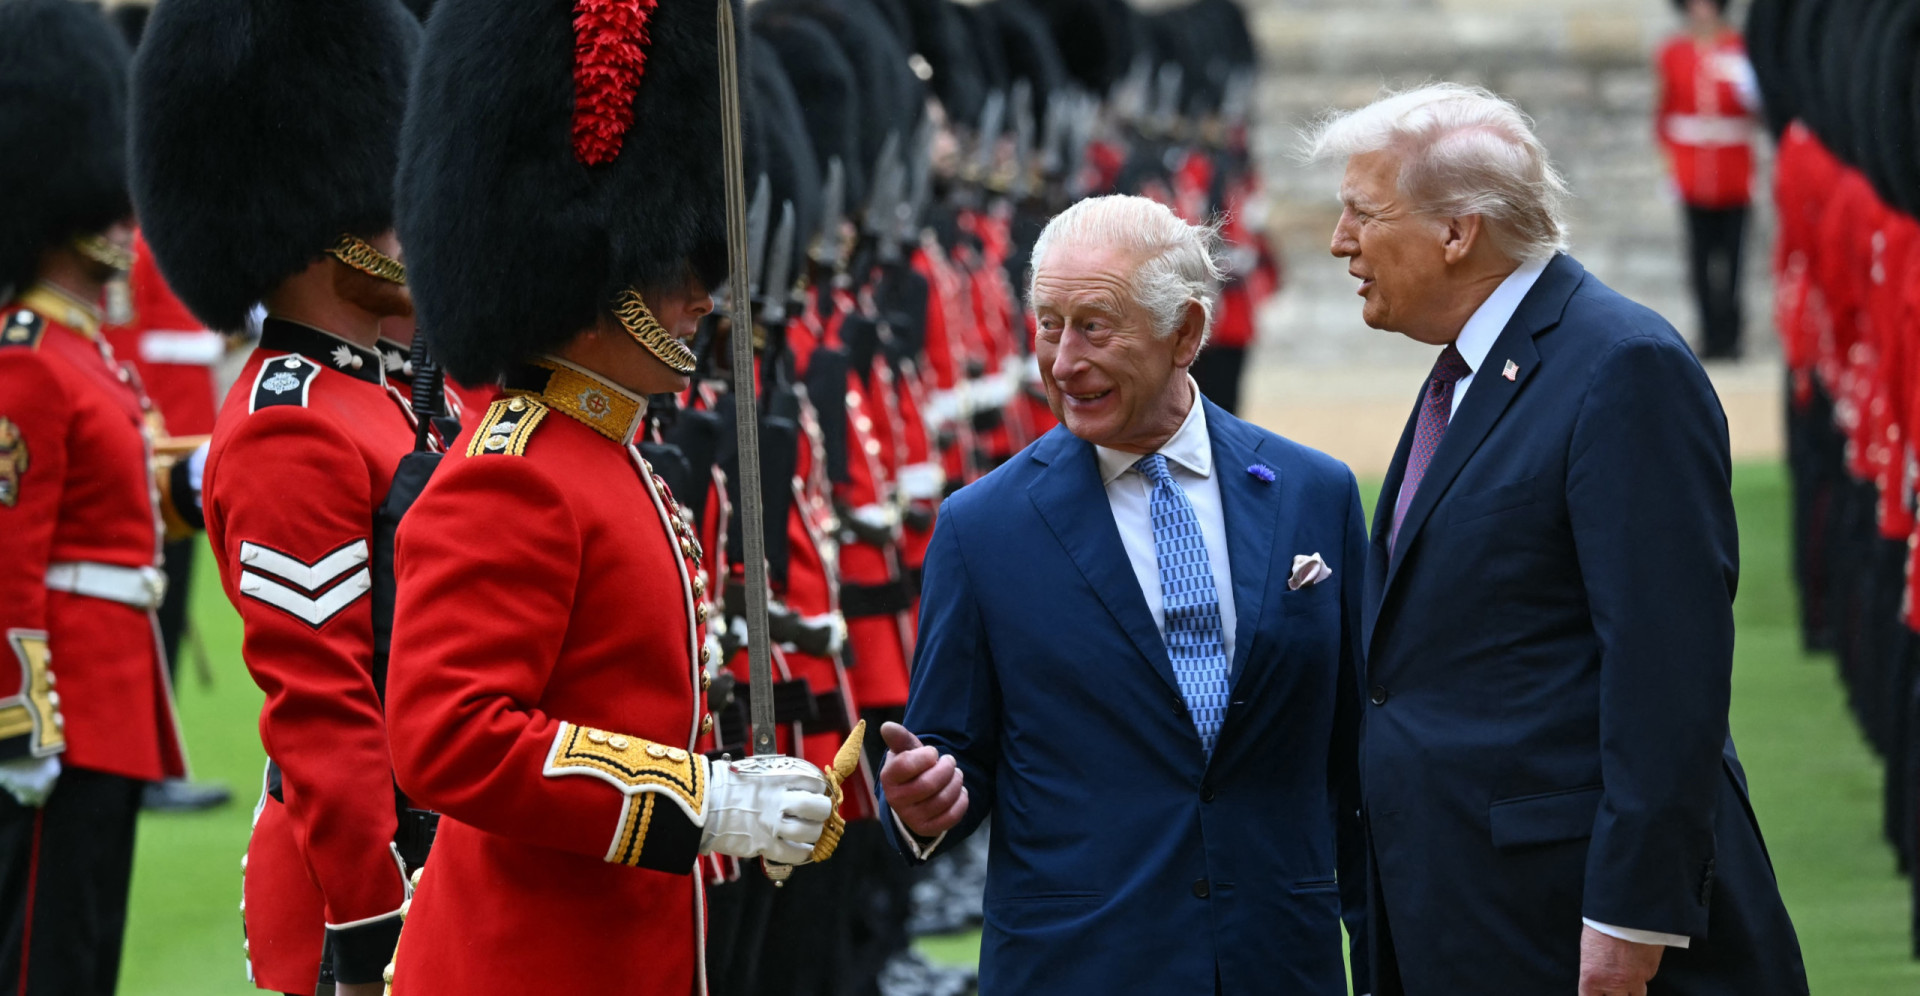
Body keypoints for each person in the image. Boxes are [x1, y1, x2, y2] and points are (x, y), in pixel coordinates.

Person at [381, 0, 842, 991]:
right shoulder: (516, 476)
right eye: (672, 270)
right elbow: (448, 737)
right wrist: (702, 801)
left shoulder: (613, 455)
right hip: (528, 959)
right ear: (593, 280)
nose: (700, 297)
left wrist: (730, 783)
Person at [1306, 83, 1807, 996]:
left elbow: (1667, 668)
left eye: (1362, 214)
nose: (1340, 242)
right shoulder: (1468, 370)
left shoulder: (1621, 364)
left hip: (1572, 922)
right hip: (1460, 907)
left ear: (1458, 232)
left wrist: (1631, 915)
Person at [877, 193, 1367, 995]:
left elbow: (1360, 755)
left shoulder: (1315, 493)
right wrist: (924, 801)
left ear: (1186, 334)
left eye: (1095, 327)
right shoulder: (981, 528)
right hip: (1077, 967)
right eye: (1048, 326)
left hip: (1279, 963)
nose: (1063, 361)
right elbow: (948, 752)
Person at [131, 1, 427, 992]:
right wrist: (371, 932)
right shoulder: (291, 425)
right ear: (324, 230)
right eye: (389, 210)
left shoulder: (389, 396)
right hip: (365, 895)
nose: (412, 231)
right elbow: (325, 714)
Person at [0, 1, 189, 989]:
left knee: (83, 957)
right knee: (45, 962)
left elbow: (128, 500)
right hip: (61, 712)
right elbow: (9, 557)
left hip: (113, 703)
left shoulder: (86, 354)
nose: (125, 218)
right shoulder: (29, 359)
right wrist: (18, 716)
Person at [1656, 0, 1760, 360]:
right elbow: (1665, 113)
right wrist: (1671, 167)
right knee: (1700, 261)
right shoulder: (1674, 52)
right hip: (1692, 173)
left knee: (1733, 261)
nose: (1702, 10)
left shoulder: (1739, 48)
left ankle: (1732, 336)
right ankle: (1710, 334)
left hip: (1733, 171)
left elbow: (1755, 109)